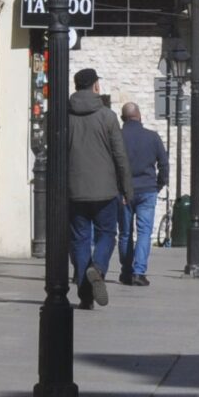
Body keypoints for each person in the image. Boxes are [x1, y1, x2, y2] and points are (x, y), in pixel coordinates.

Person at [68, 68, 132, 310]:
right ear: (96, 86)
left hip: (74, 190)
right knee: (107, 233)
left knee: (80, 239)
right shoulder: (108, 116)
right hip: (105, 189)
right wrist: (126, 189)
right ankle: (98, 267)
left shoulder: (66, 115)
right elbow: (120, 155)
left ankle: (85, 296)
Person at [118, 101, 168, 287]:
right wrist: (159, 184)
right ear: (139, 116)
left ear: (123, 118)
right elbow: (164, 164)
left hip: (123, 191)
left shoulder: (118, 137)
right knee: (144, 232)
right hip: (147, 189)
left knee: (124, 233)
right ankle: (139, 272)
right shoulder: (152, 137)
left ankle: (126, 271)